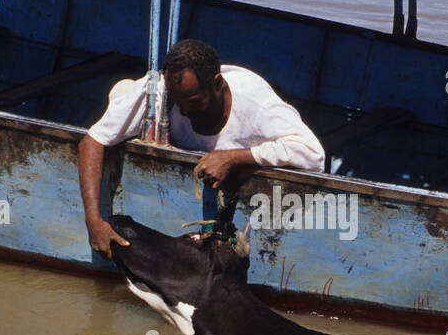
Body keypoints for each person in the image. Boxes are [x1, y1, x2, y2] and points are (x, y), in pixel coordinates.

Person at [78, 39, 325, 257]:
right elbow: (93, 140)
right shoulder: (160, 90)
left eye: (194, 102)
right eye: (179, 103)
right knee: (124, 94)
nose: (184, 111)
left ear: (217, 83)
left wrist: (235, 158)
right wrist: (94, 220)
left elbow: (313, 155)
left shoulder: (256, 104)